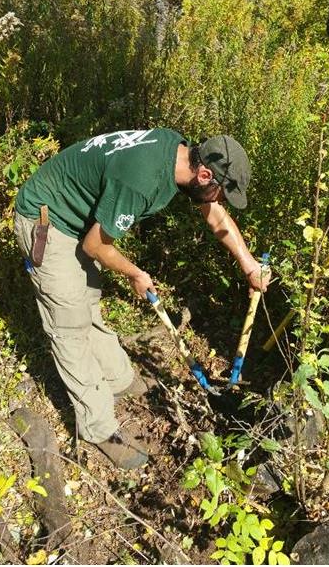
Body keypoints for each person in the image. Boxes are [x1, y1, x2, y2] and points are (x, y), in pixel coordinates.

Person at [14, 129, 271, 470]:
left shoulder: (178, 151)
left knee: (87, 303)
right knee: (69, 325)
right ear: (205, 174)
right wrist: (135, 273)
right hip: (48, 220)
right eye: (222, 192)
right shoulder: (141, 180)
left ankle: (120, 380)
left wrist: (249, 265)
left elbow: (213, 212)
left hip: (78, 219)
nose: (220, 200)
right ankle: (99, 429)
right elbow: (96, 246)